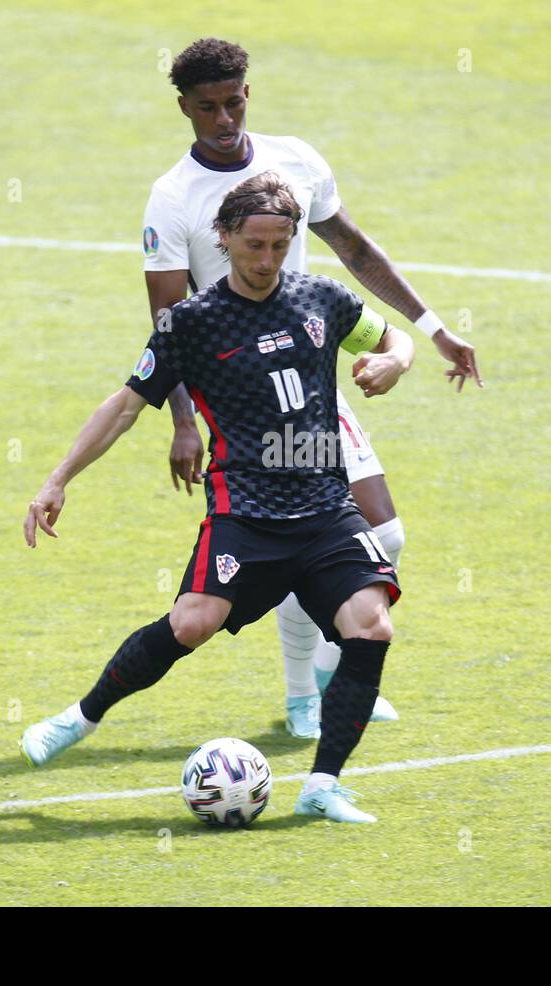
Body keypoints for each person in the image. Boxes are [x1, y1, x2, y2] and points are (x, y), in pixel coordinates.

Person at [19, 173, 415, 823]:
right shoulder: (193, 324)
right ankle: (77, 718)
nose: (266, 260)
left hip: (324, 510)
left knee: (370, 623)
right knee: (192, 623)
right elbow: (125, 405)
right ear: (224, 238)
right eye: (253, 244)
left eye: (280, 245)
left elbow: (394, 338)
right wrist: (58, 478)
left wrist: (396, 362)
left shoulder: (322, 298)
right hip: (246, 513)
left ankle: (322, 784)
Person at [142, 37, 482, 738]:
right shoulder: (172, 199)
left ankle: (328, 675)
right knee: (298, 542)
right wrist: (181, 421)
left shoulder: (293, 161)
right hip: (242, 400)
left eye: (234, 102)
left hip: (312, 385)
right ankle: (306, 697)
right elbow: (167, 321)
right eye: (207, 108)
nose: (225, 118)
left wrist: (433, 328)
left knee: (383, 531)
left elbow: (354, 249)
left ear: (247, 94)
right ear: (184, 109)